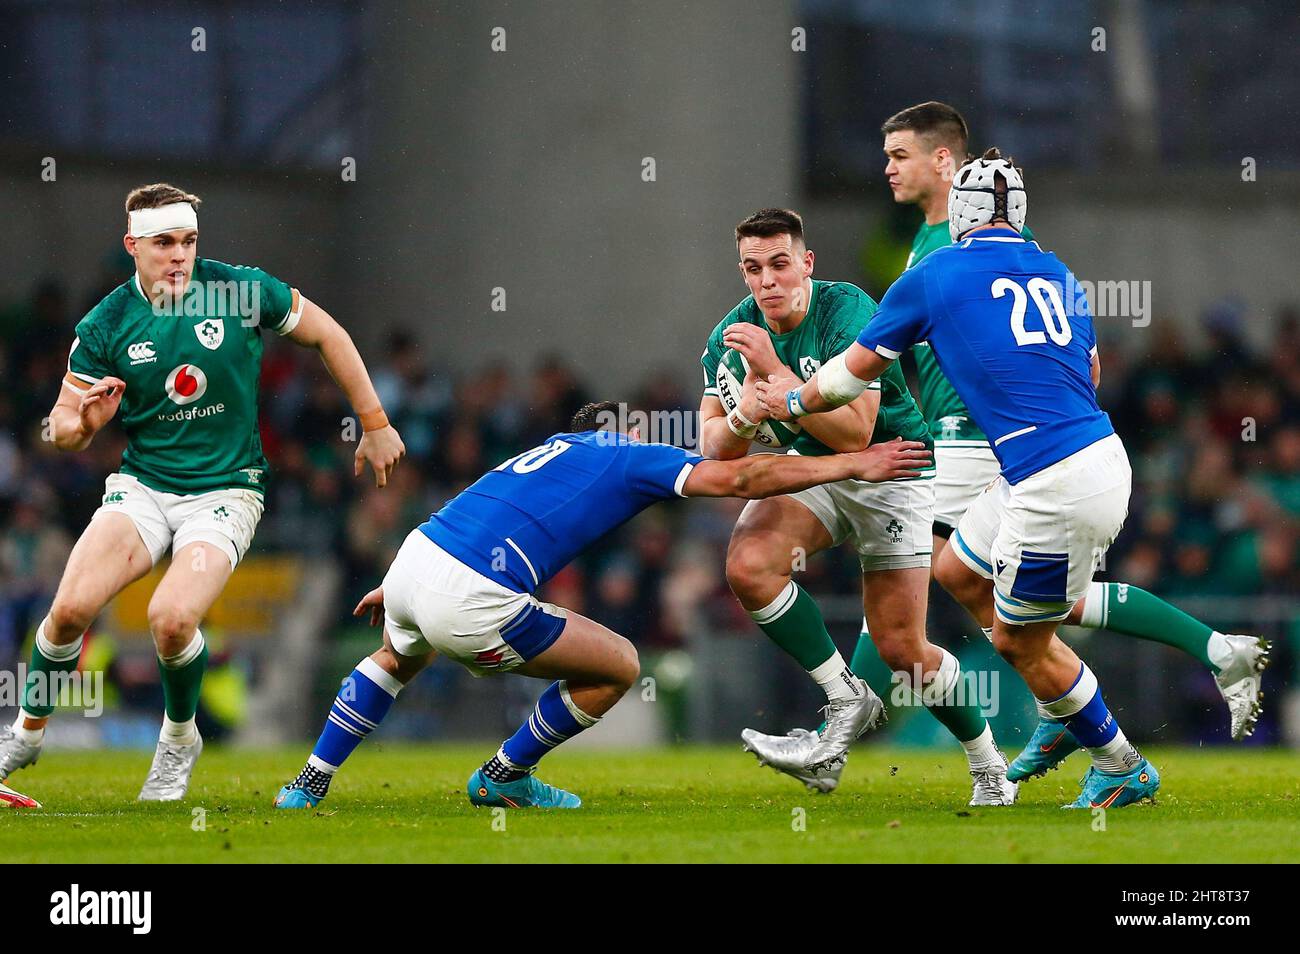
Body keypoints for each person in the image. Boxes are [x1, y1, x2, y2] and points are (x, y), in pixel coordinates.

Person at [744, 103, 1268, 793]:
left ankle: (1114, 759)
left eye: (900, 155)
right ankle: (1190, 658)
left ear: (950, 176)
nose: (888, 168)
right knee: (966, 581)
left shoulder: (938, 267)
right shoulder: (1052, 269)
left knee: (970, 611)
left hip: (1004, 459)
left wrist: (785, 398)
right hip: (1069, 459)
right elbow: (1090, 373)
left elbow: (850, 373)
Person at [274, 401, 930, 810]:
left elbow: (485, 508)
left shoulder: (549, 451)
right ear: (617, 428)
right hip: (468, 593)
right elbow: (737, 477)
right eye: (638, 425)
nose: (649, 433)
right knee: (618, 665)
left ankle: (307, 783)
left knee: (393, 657)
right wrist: (852, 465)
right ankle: (505, 775)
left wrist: (401, 582)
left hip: (419, 557)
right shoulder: (623, 455)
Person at [0, 183, 405, 802]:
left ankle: (179, 738)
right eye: (164, 243)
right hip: (142, 487)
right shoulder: (106, 321)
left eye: (188, 241)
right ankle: (26, 735)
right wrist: (82, 426)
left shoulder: (238, 290)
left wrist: (374, 423)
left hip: (225, 491)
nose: (179, 255)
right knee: (71, 609)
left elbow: (329, 333)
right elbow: (60, 426)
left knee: (170, 618)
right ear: (132, 245)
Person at [702, 209, 1017, 805]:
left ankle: (989, 766)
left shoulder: (847, 308)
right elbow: (714, 450)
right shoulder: (731, 332)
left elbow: (855, 431)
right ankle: (846, 699)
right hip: (817, 473)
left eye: (779, 264)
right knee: (749, 564)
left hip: (892, 468)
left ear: (806, 264)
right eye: (753, 268)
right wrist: (744, 412)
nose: (768, 280)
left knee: (903, 649)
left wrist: (774, 374)